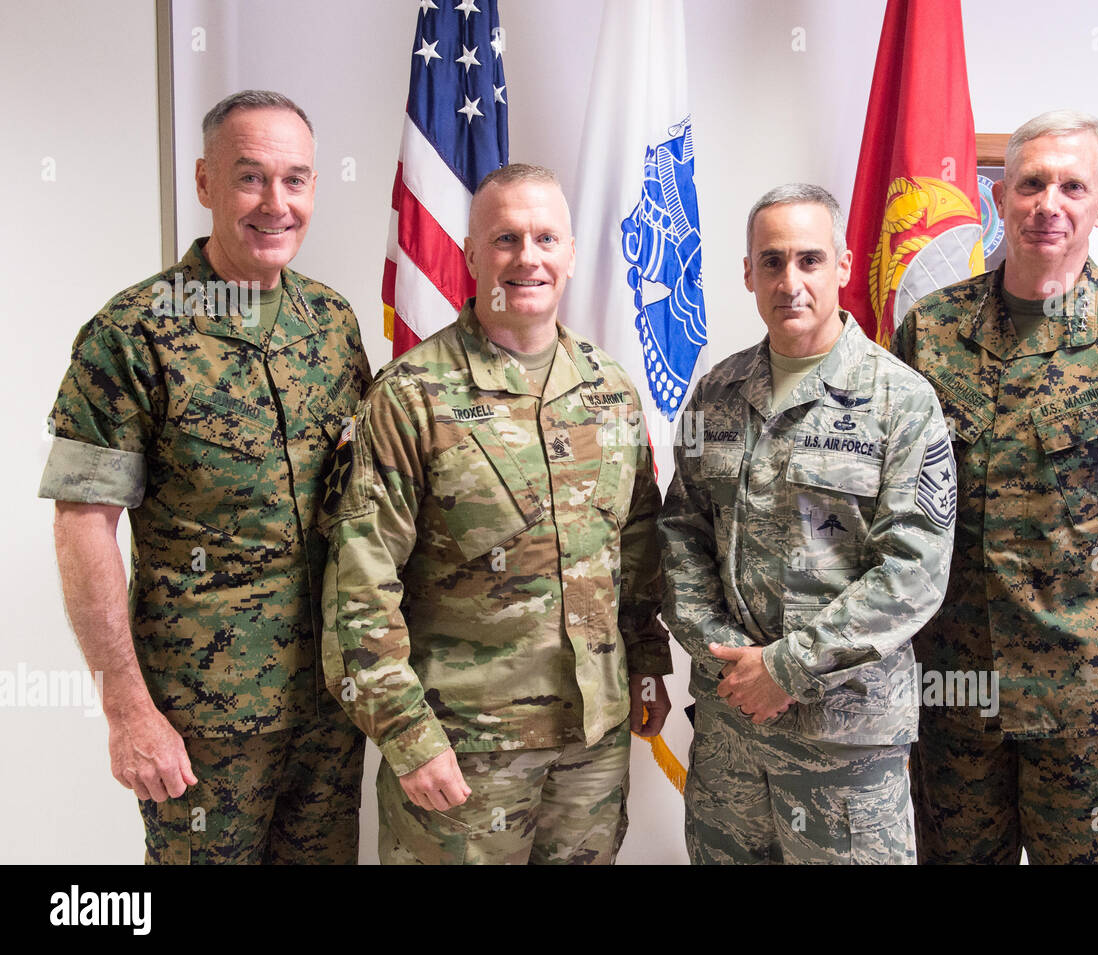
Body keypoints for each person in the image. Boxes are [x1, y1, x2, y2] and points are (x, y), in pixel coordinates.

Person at [40, 90, 372, 864]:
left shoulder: (332, 323)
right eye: (250, 177)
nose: (275, 203)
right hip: (201, 716)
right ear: (204, 182)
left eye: (296, 180)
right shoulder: (132, 334)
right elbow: (82, 523)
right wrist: (126, 711)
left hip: (329, 703)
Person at [891, 109, 1098, 864]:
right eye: (1032, 183)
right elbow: (894, 514)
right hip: (955, 699)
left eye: (1073, 185)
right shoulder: (930, 332)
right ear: (999, 195)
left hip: (1091, 707)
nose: (1050, 203)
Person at [319, 163, 671, 865]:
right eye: (506, 238)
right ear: (473, 253)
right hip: (461, 749)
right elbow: (358, 584)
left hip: (591, 747)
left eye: (545, 237)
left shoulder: (610, 391)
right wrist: (406, 733)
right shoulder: (412, 395)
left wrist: (648, 664)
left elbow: (635, 546)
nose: (527, 257)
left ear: (570, 252)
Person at [657, 184, 955, 864]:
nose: (790, 282)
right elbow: (680, 535)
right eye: (771, 261)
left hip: (846, 749)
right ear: (747, 274)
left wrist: (787, 667)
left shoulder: (901, 401)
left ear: (844, 266)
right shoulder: (717, 394)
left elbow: (913, 572)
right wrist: (729, 660)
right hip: (731, 737)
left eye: (810, 260)